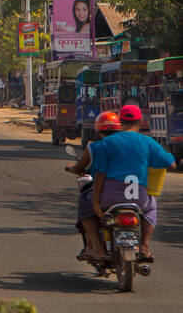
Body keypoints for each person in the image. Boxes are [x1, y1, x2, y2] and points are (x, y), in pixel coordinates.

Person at [67, 109, 176, 262]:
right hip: (139, 198)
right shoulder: (147, 141)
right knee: (151, 207)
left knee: (85, 209)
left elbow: (100, 174)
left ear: (120, 122)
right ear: (140, 122)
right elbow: (171, 164)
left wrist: (96, 202)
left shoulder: (106, 143)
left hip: (109, 197)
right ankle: (144, 247)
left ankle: (97, 249)